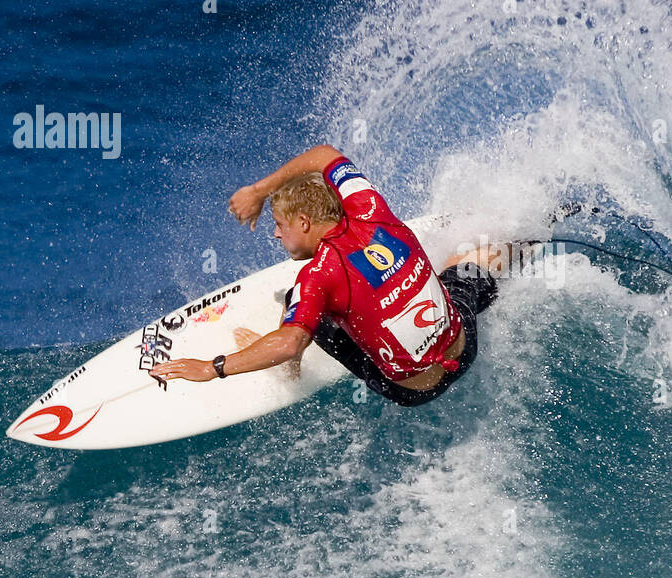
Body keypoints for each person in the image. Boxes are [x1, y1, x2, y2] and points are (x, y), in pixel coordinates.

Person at [149, 144, 499, 406]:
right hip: (464, 347)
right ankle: (528, 235)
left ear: (304, 223)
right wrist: (260, 191)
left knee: (300, 310)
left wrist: (214, 367)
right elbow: (325, 154)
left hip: (413, 388)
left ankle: (288, 374)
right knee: (465, 264)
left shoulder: (317, 276)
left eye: (279, 225)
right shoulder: (370, 207)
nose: (276, 235)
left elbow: (289, 342)